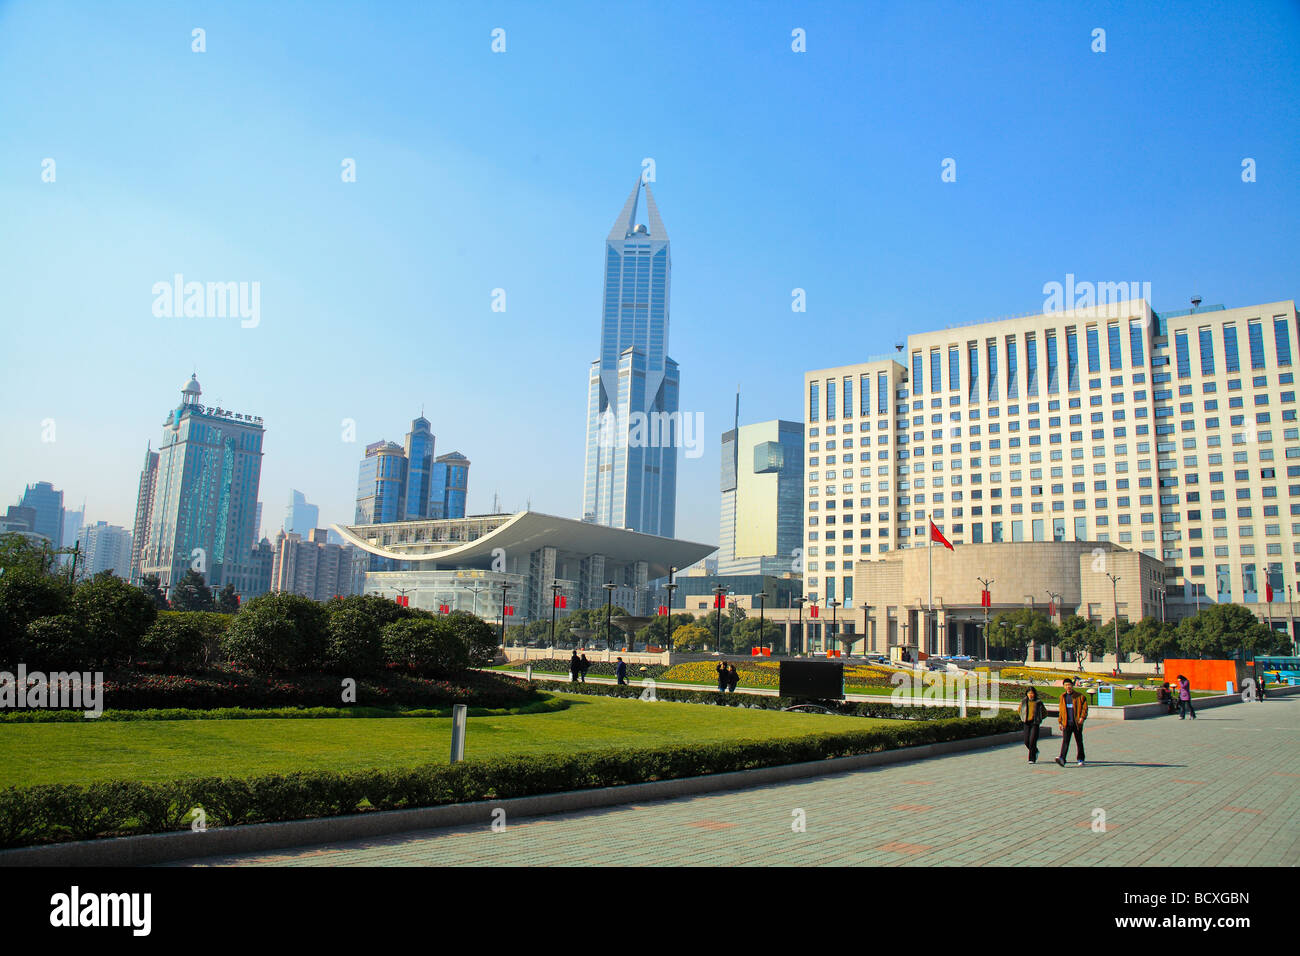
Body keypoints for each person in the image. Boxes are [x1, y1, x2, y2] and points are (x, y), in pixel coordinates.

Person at [1053, 678, 1088, 767]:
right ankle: (1062, 759)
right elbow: (1061, 710)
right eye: (1066, 685)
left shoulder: (1080, 696)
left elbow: (1085, 709)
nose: (1068, 687)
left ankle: (1080, 759)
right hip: (1066, 723)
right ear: (1064, 686)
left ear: (1072, 685)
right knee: (1065, 741)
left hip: (1076, 723)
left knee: (1079, 741)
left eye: (1069, 685)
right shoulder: (1062, 697)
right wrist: (1060, 722)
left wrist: (1082, 718)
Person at [1018, 688, 1047, 763]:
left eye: (1032, 693)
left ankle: (1032, 758)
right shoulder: (1024, 702)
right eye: (1029, 693)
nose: (1030, 695)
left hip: (1035, 723)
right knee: (1026, 741)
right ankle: (1035, 751)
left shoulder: (1038, 702)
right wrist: (1023, 717)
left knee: (1032, 741)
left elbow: (1044, 713)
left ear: (1034, 694)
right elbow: (1019, 710)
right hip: (1026, 723)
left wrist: (1039, 718)